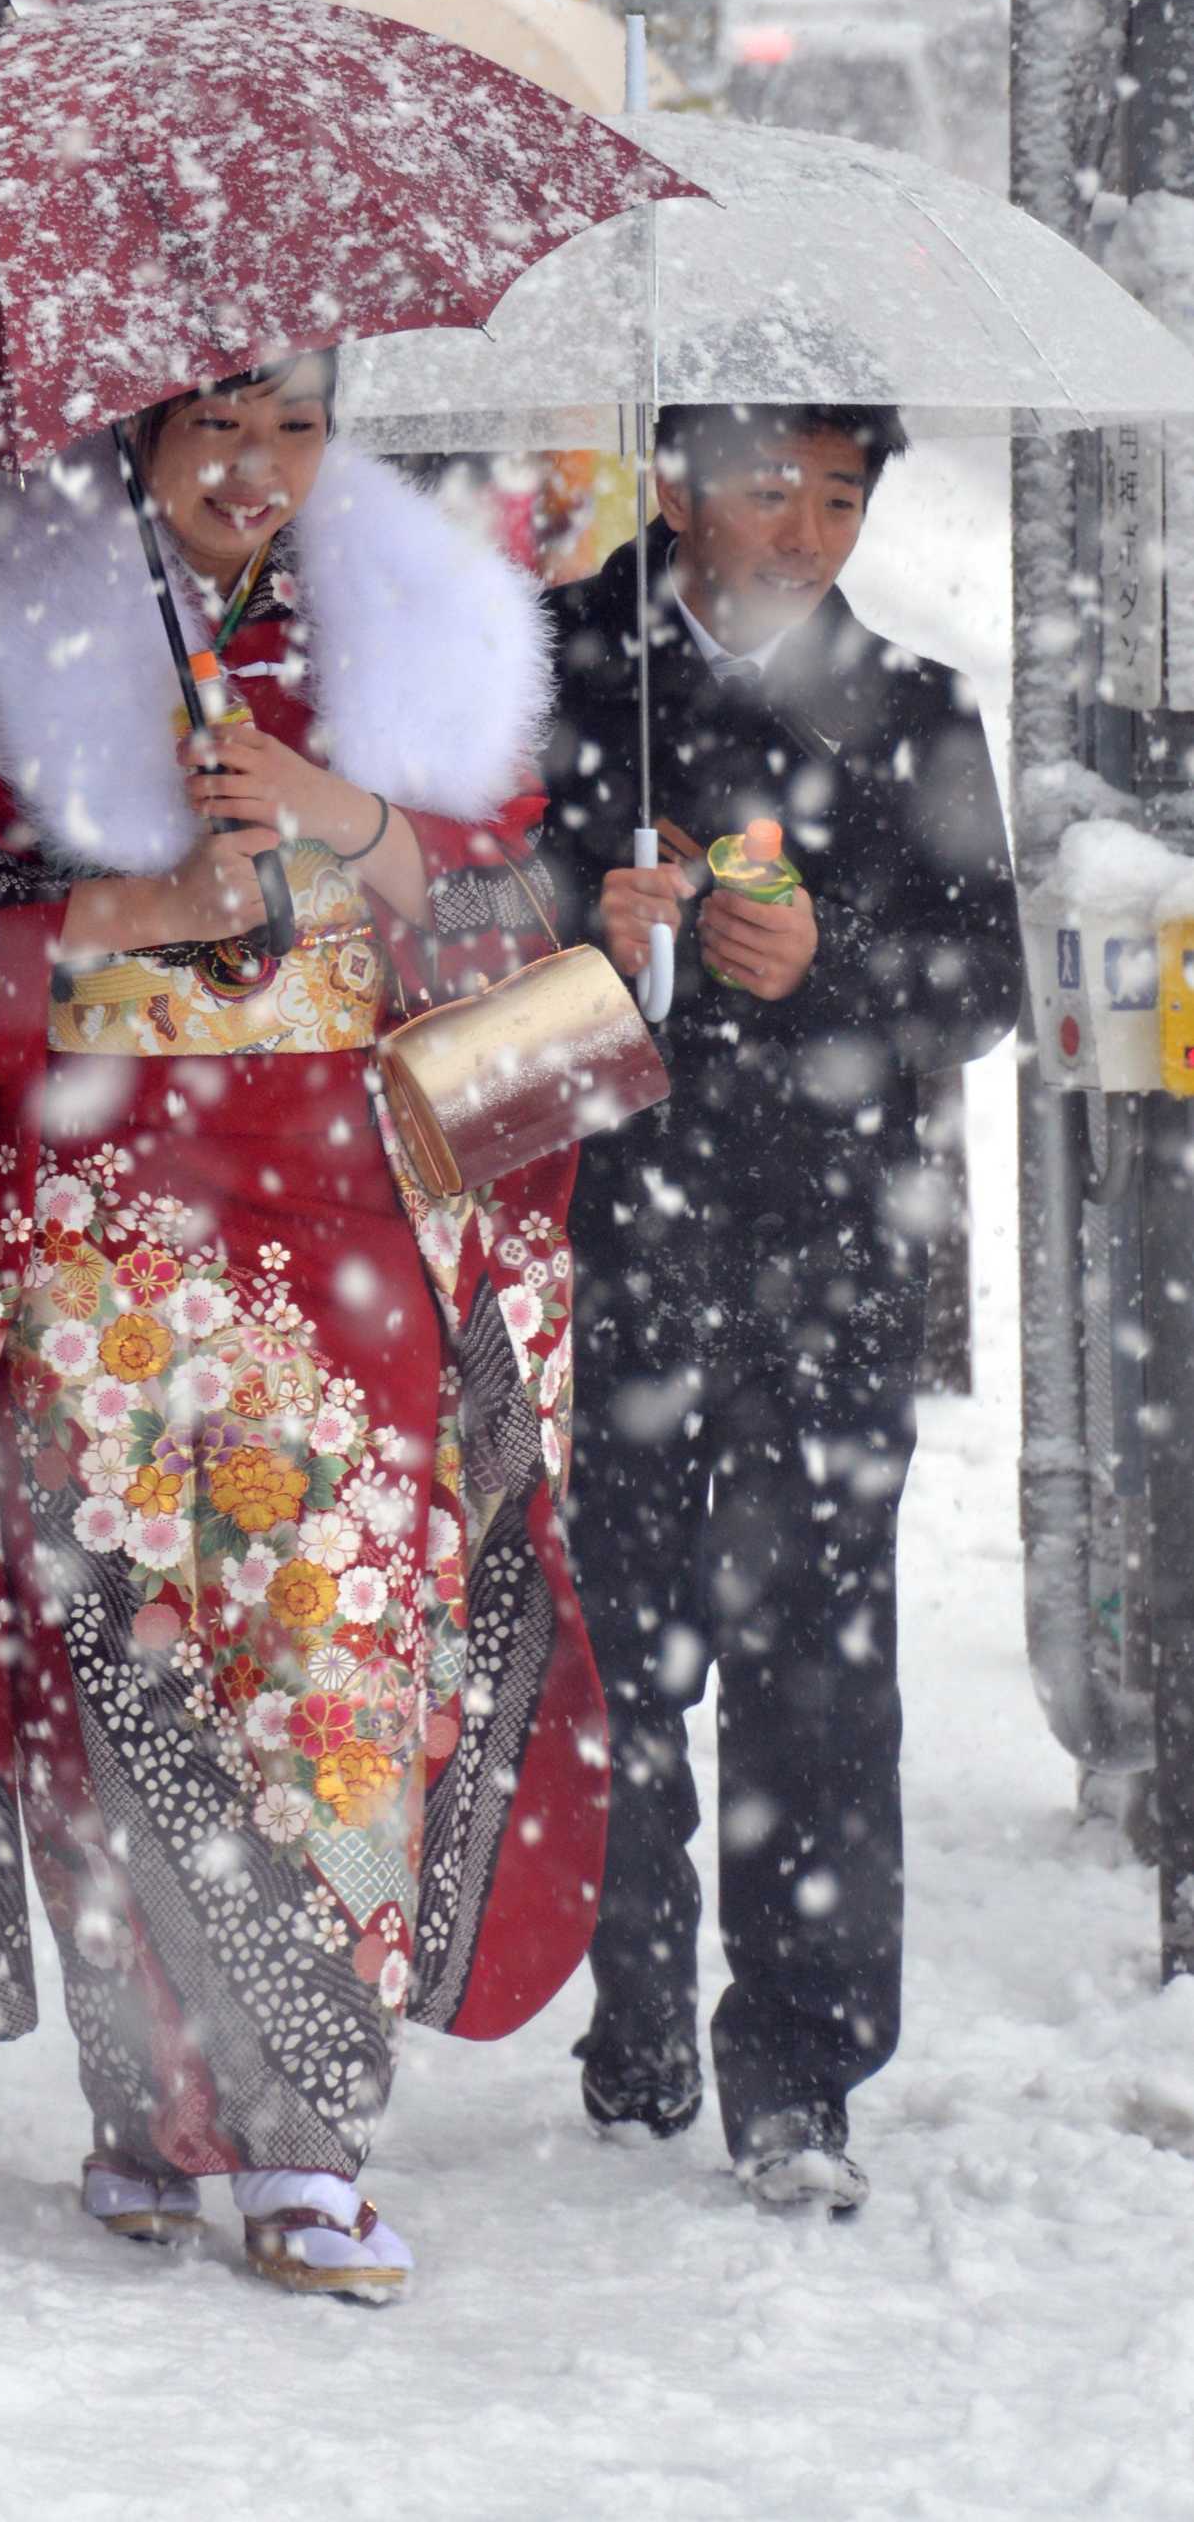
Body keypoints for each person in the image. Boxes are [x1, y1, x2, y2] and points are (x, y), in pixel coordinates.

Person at [0, 354, 607, 2301]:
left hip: (348, 1203)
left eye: (296, 427)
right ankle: (149, 2105)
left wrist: (342, 812)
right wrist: (142, 908)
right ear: (130, 439)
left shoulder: (416, 630)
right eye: (213, 429)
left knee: (337, 1659)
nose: (258, 468)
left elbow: (520, 920)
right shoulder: (3, 647)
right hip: (105, 1210)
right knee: (117, 1661)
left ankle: (307, 2137)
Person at [541, 402, 1022, 2216]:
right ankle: (633, 2015)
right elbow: (435, 925)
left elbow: (981, 979)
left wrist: (834, 964)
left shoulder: (908, 705)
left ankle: (801, 2069)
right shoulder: (554, 671)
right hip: (600, 1234)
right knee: (609, 1644)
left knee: (815, 1666)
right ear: (670, 482)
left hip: (827, 1253)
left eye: (840, 492)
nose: (807, 527)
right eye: (767, 485)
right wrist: (581, 925)